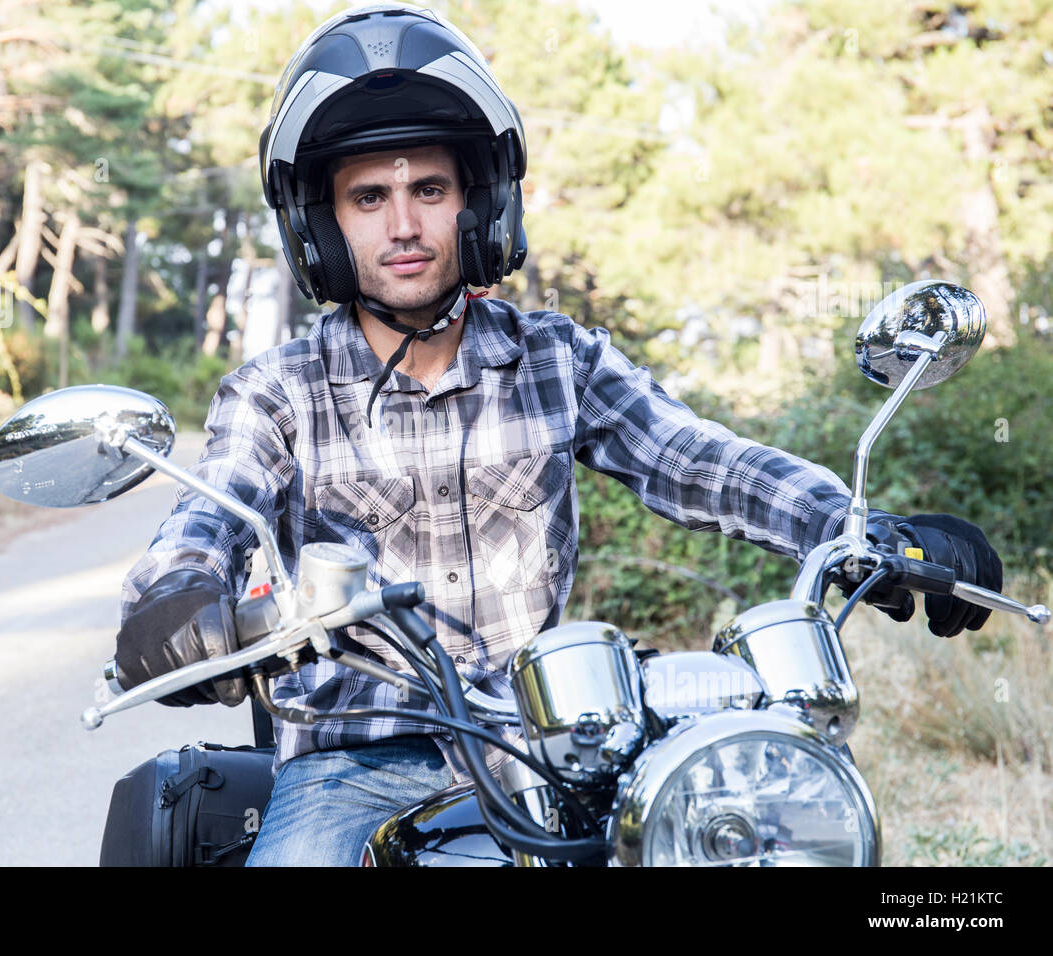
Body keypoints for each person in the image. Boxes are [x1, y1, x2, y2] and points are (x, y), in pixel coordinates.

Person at [114, 3, 1003, 866]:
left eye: (429, 189)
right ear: (322, 226)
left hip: (552, 744)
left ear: (479, 203)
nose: (404, 224)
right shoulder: (278, 392)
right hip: (353, 765)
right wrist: (179, 600)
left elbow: (698, 460)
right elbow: (205, 519)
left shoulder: (556, 359)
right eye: (368, 197)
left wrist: (859, 529)